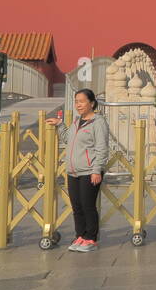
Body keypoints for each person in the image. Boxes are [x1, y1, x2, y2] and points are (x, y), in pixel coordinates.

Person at [47, 88, 110, 252]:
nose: (78, 105)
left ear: (91, 103)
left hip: (90, 171)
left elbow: (102, 148)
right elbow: (68, 139)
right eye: (76, 101)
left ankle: (91, 238)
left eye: (81, 101)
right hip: (73, 171)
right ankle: (80, 236)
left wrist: (97, 169)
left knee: (88, 205)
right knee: (77, 206)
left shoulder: (98, 122)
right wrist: (60, 125)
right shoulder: (76, 121)